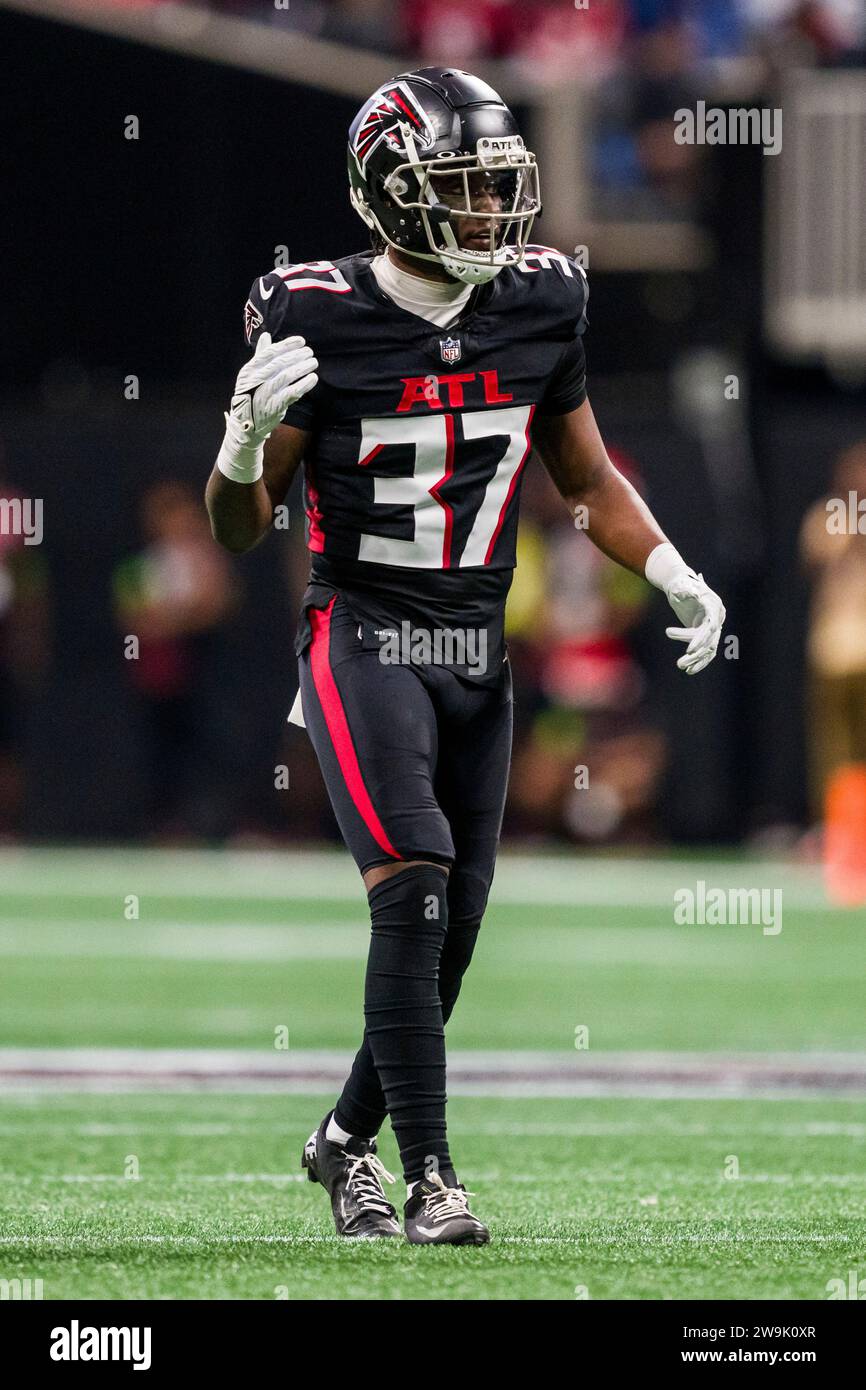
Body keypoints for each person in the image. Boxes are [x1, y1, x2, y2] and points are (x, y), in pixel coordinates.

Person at [205, 66, 725, 1244]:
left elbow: (582, 478)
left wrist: (671, 566)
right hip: (363, 630)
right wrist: (239, 450)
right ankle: (431, 1172)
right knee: (415, 886)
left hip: (475, 644)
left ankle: (341, 1143)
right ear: (390, 195)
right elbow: (245, 528)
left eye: (499, 188)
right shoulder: (316, 310)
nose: (493, 214)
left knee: (457, 926)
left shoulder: (541, 300)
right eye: (465, 189)